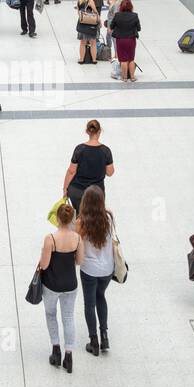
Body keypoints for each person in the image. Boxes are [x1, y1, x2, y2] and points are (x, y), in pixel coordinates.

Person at [37, 201, 81, 372]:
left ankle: (56, 350)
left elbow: (45, 265)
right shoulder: (77, 238)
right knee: (68, 317)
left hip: (52, 285)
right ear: (71, 219)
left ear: (57, 218)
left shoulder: (50, 239)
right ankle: (68, 355)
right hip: (71, 284)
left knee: (51, 314)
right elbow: (79, 261)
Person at [61, 119, 114, 211]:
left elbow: (71, 171)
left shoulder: (79, 149)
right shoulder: (105, 151)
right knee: (94, 219)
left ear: (87, 131)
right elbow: (110, 172)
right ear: (100, 131)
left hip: (77, 191)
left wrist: (65, 188)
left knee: (79, 218)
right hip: (96, 193)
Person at [109, 0, 141, 83]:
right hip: (131, 40)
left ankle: (124, 77)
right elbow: (139, 28)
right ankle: (133, 77)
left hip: (120, 40)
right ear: (131, 7)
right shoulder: (135, 15)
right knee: (131, 59)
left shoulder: (117, 15)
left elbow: (111, 26)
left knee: (123, 60)